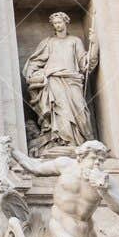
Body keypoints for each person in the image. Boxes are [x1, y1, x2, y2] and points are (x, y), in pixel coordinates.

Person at [23, 11, 97, 150]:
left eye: (60, 22)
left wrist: (94, 44)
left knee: (80, 111)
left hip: (73, 79)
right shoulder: (48, 42)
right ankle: (62, 141)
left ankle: (80, 141)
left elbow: (85, 64)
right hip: (54, 79)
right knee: (59, 110)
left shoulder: (75, 41)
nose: (57, 25)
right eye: (55, 23)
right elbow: (35, 61)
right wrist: (33, 74)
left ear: (65, 22)